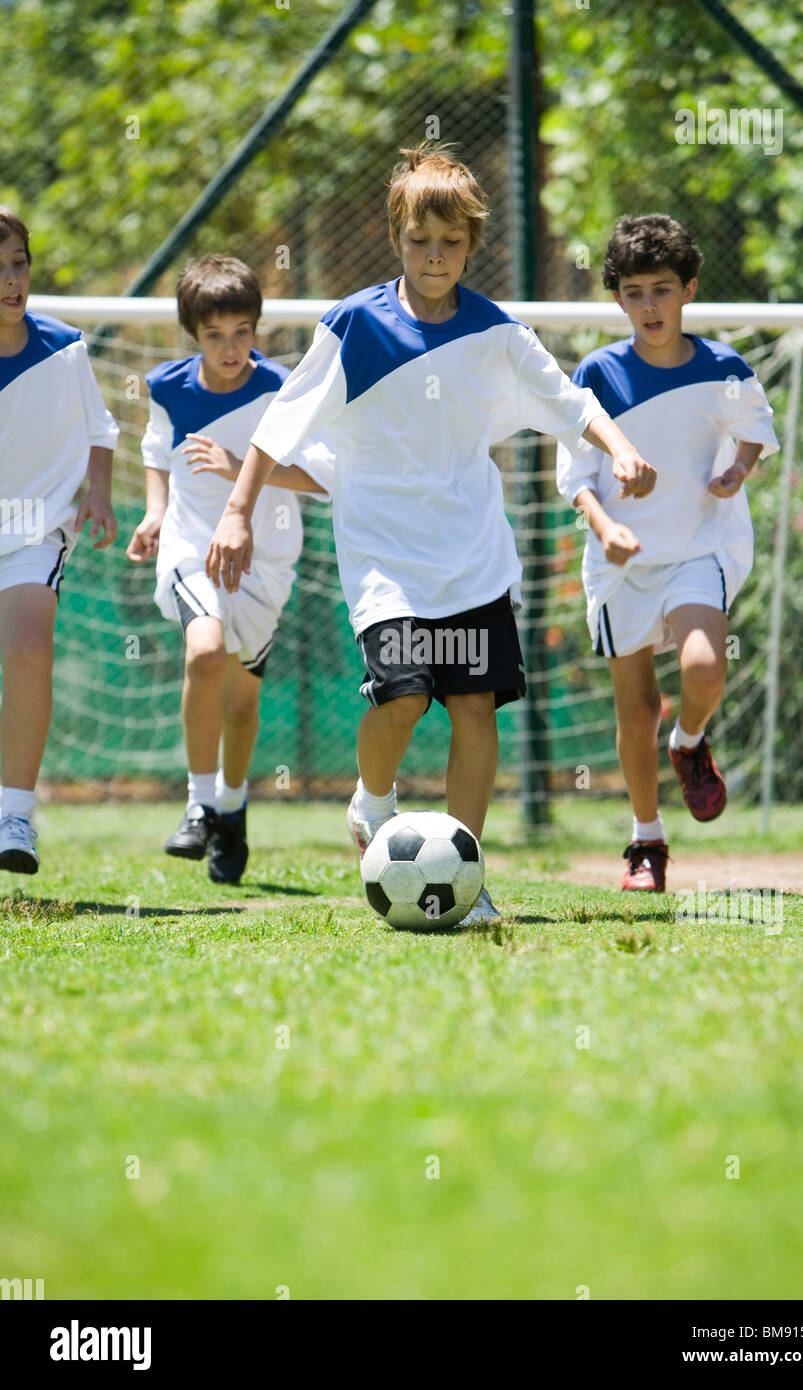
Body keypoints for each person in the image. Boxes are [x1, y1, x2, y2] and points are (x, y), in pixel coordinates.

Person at [206, 146, 654, 923]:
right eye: (420, 240)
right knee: (405, 701)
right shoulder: (352, 325)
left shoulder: (498, 334)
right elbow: (280, 426)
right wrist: (239, 508)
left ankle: (463, 876)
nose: (434, 254)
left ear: (470, 245)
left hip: (472, 555)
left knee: (475, 706)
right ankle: (370, 800)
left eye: (450, 241)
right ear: (396, 238)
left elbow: (567, 401)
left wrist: (620, 449)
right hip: (384, 558)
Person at [556, 214, 779, 891]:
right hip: (620, 562)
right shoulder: (595, 373)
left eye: (660, 289)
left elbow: (752, 432)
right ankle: (645, 843)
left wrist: (737, 470)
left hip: (697, 548)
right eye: (632, 292)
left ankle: (687, 742)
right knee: (632, 705)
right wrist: (605, 530)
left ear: (687, 289)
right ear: (616, 298)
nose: (648, 305)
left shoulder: (723, 367)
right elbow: (574, 481)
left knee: (704, 667)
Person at [127, 254, 332, 883]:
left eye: (242, 332)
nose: (231, 347)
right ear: (194, 333)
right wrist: (156, 513)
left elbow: (321, 478)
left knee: (243, 703)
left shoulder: (280, 388)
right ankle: (198, 803)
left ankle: (233, 809)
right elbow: (157, 451)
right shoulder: (167, 387)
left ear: (256, 328)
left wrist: (240, 463)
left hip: (264, 561)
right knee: (203, 655)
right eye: (215, 335)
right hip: (191, 546)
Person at [0, 206, 119, 874]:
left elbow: (101, 430)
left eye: (19, 263)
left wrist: (97, 493)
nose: (12, 280)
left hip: (33, 529)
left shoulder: (66, 348)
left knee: (26, 647)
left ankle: (14, 813)